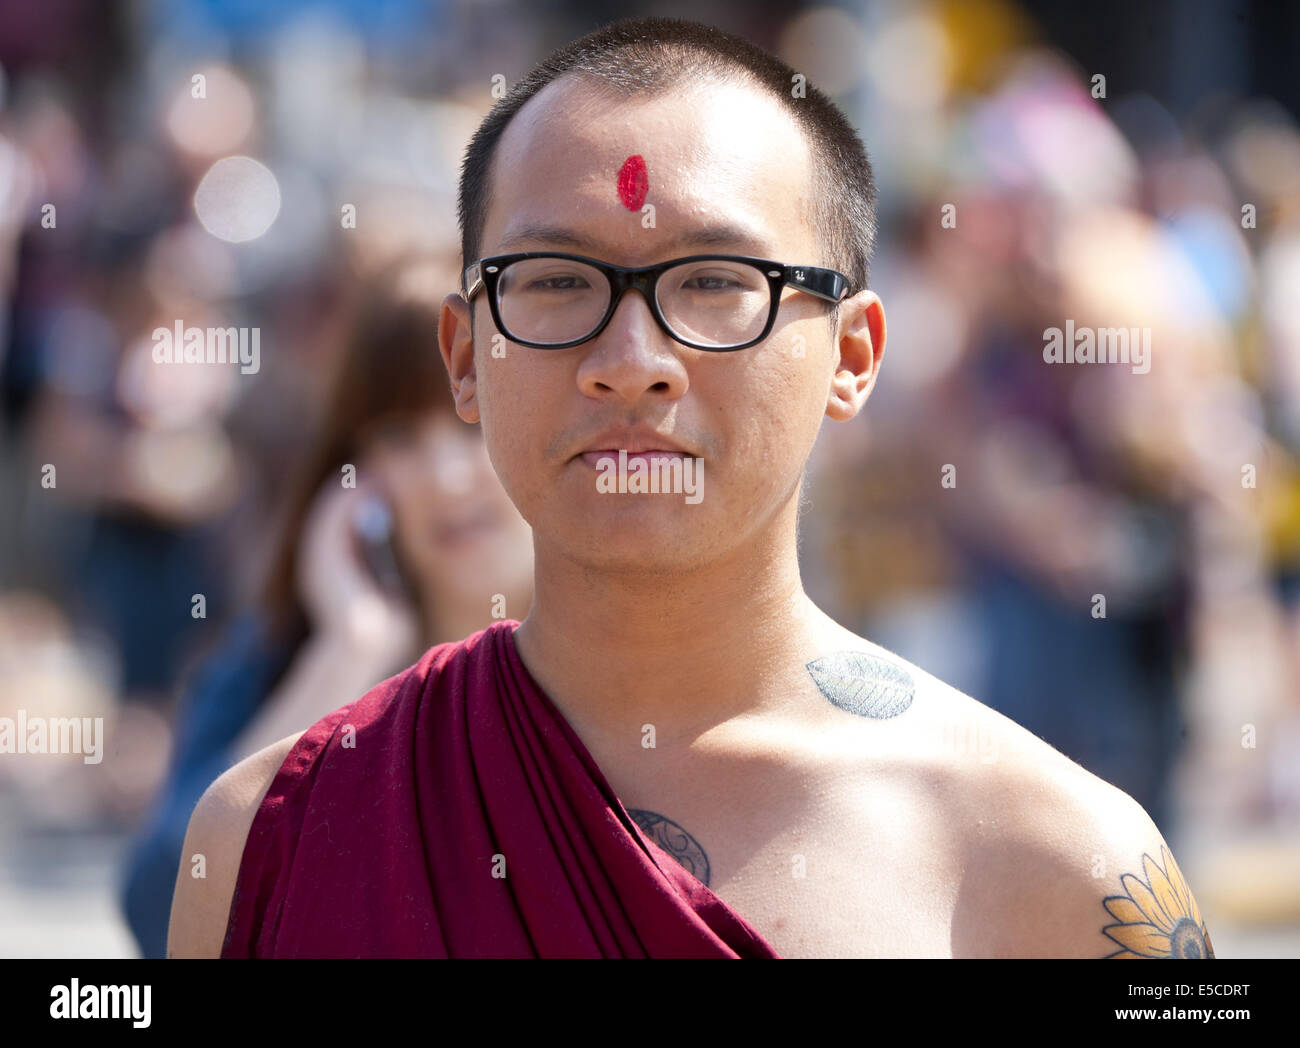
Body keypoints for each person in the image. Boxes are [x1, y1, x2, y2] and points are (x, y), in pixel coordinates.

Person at [168, 17, 1215, 958]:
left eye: (716, 281)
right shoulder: (278, 832)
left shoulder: (1060, 871)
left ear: (853, 355)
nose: (631, 359)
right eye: (556, 282)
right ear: (464, 354)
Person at [120, 254, 533, 957]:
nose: (445, 478)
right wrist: (348, 652)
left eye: (471, 423)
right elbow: (162, 909)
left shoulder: (616, 660)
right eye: (400, 438)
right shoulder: (285, 653)